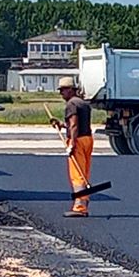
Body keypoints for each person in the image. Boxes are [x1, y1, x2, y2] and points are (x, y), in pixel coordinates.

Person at [58, 80, 93, 217]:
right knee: (84, 172)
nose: (61, 93)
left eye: (63, 90)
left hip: (77, 141)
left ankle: (79, 207)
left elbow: (74, 125)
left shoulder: (71, 104)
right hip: (87, 139)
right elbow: (76, 123)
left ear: (71, 90)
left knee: (77, 174)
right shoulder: (83, 103)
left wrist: (71, 143)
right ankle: (84, 201)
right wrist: (61, 125)